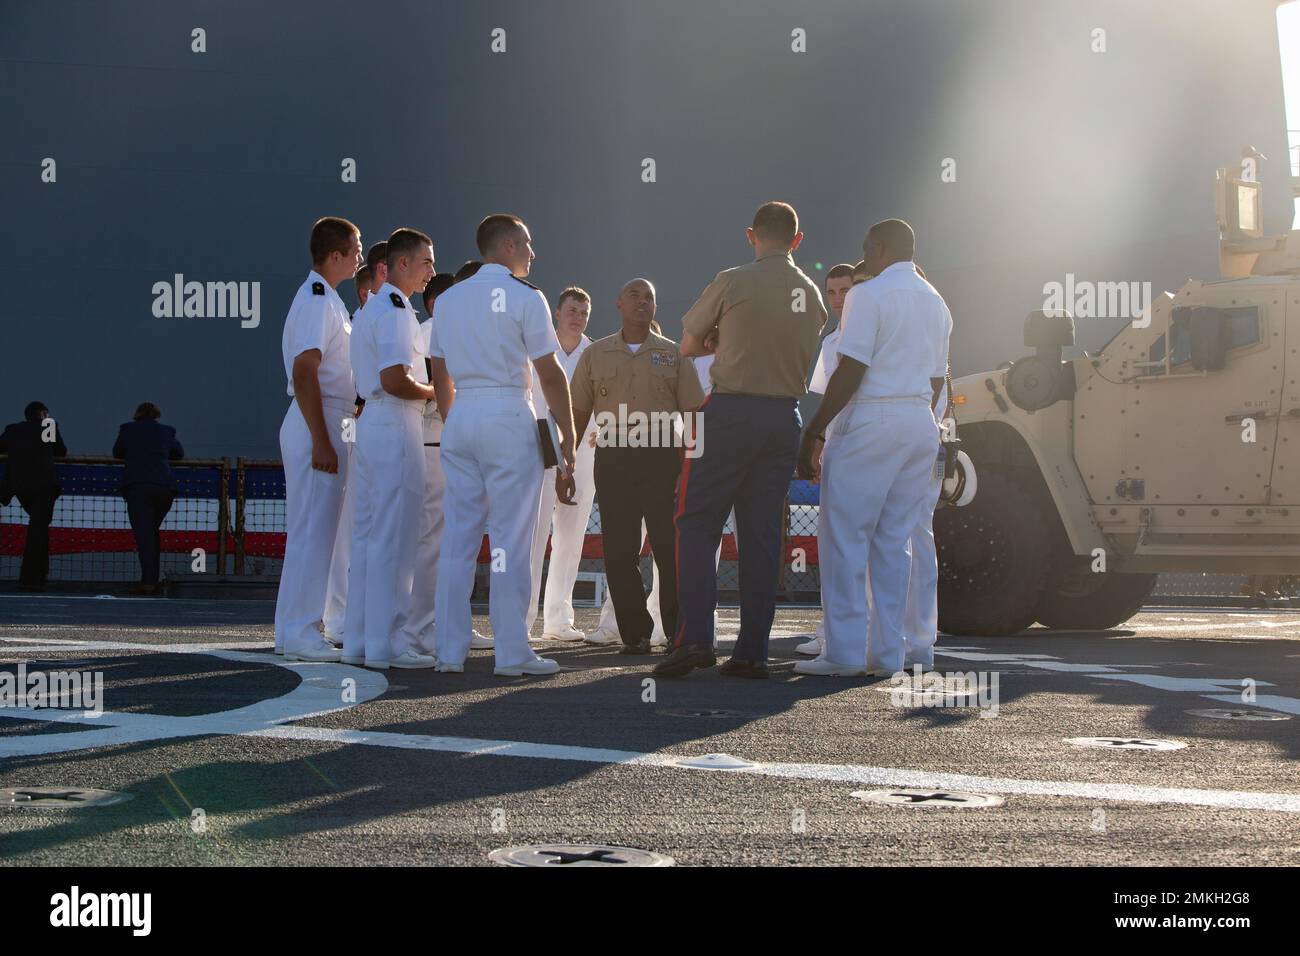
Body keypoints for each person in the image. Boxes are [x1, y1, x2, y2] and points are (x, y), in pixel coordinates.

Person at [655, 201, 825, 679]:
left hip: (728, 413)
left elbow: (687, 346)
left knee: (695, 522)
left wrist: (719, 342)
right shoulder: (810, 294)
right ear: (797, 240)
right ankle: (752, 650)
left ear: (752, 235)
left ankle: (694, 641)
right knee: (762, 534)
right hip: (782, 417)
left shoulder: (732, 280)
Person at [795, 219, 951, 676]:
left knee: (845, 538)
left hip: (873, 419)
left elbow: (852, 367)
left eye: (867, 247)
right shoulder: (935, 300)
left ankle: (843, 653)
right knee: (894, 542)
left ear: (879, 248)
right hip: (920, 420)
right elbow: (938, 378)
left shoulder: (870, 293)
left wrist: (816, 430)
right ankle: (888, 654)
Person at [428, 214, 576, 676]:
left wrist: (456, 419)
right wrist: (568, 434)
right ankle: (512, 652)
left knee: (458, 538)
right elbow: (550, 373)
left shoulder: (448, 299)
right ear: (508, 245)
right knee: (511, 538)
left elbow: (438, 369)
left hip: (463, 414)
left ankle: (449, 652)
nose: (533, 252)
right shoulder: (526, 298)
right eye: (527, 244)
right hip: (509, 413)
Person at [570, 280, 704, 655]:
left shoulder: (673, 354)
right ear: (618, 303)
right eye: (634, 295)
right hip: (614, 453)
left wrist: (696, 463)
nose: (642, 302)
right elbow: (578, 412)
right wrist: (567, 461)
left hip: (661, 454)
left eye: (649, 297)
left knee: (668, 546)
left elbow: (694, 414)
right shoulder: (595, 354)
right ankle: (635, 633)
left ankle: (677, 632)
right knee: (618, 547)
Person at [342, 228, 439, 670]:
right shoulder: (399, 310)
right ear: (402, 263)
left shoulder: (370, 308)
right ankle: (389, 643)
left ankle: (361, 638)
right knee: (397, 538)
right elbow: (396, 379)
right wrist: (434, 390)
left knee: (367, 536)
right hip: (396, 421)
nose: (431, 272)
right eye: (426, 262)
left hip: (371, 424)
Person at [274, 216, 363, 661]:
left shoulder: (327, 299)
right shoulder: (316, 300)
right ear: (336, 255)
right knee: (314, 531)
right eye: (356, 248)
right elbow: (305, 370)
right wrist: (322, 440)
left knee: (312, 531)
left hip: (326, 417)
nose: (361, 256)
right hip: (319, 418)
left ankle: (295, 630)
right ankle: (302, 630)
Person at [402, 273, 492, 651]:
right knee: (433, 539)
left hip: (458, 442)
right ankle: (420, 627)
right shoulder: (427, 332)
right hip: (437, 440)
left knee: (459, 540)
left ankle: (452, 623)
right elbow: (433, 387)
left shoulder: (464, 328)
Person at [527, 286, 596, 642]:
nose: (578, 318)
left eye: (584, 313)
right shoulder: (536, 347)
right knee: (533, 534)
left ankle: (558, 619)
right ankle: (522, 621)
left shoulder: (595, 353)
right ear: (556, 312)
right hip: (538, 444)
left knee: (571, 537)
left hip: (584, 450)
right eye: (572, 311)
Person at [795, 262, 856, 657]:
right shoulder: (831, 340)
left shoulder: (872, 335)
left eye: (845, 291)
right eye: (831, 292)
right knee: (833, 540)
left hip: (867, 442)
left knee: (866, 541)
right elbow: (824, 398)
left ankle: (856, 634)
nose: (837, 301)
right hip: (837, 445)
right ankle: (830, 629)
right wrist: (817, 445)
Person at [112, 402, 184, 594]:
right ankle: (151, 579)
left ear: (137, 414)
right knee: (151, 533)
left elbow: (117, 452)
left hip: (138, 487)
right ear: (156, 415)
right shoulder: (167, 431)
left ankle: (148, 581)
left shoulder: (127, 429)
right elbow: (178, 454)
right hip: (163, 487)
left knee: (145, 536)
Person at [0, 401, 67, 591]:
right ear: (43, 413)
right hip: (44, 486)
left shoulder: (13, 430)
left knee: (39, 528)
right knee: (38, 529)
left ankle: (36, 574)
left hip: (21, 487)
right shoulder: (48, 426)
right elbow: (60, 450)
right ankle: (32, 576)